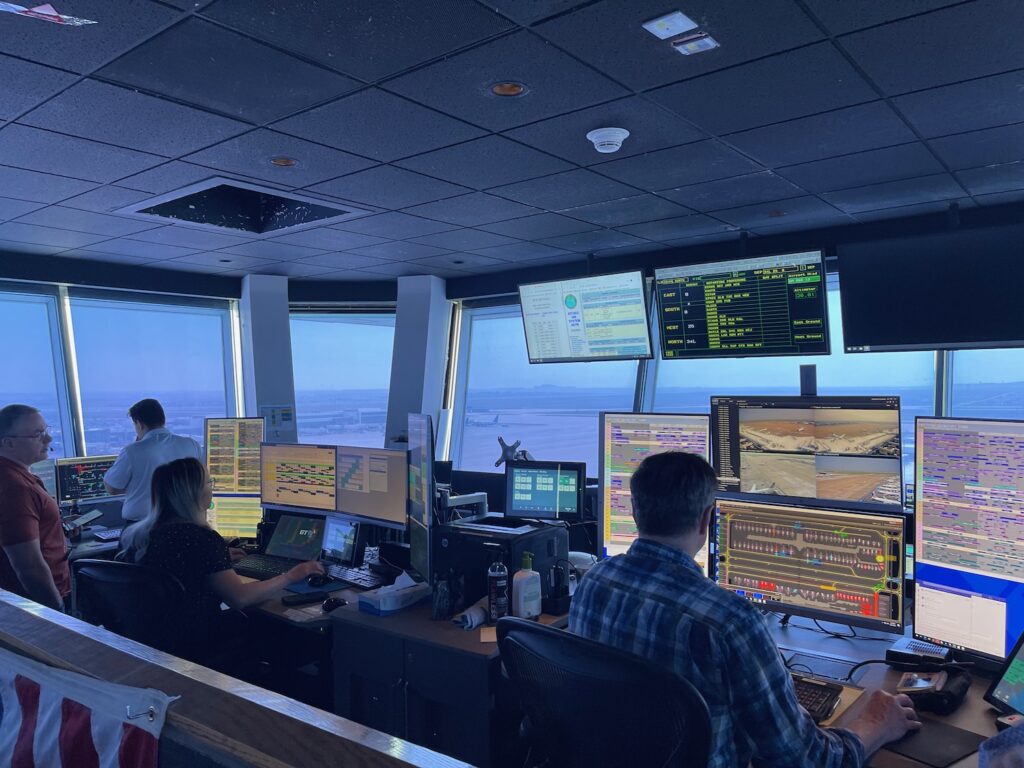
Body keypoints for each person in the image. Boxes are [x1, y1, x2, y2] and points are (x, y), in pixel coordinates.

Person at [569, 451, 920, 768]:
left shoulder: (594, 582)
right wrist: (875, 724)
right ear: (708, 518)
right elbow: (806, 761)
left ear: (635, 510)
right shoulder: (728, 621)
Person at [120, 457, 322, 659]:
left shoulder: (135, 536)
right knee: (296, 633)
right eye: (209, 482)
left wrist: (219, 560)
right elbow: (240, 598)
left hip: (152, 640)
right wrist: (291, 576)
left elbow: (182, 567)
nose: (212, 488)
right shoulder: (200, 539)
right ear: (194, 494)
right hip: (197, 641)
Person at [0, 404, 70, 610]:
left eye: (46, 431)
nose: (48, 439)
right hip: (38, 604)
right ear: (8, 443)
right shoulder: (15, 488)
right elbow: (28, 566)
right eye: (38, 434)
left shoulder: (20, 477)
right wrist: (56, 610)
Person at [104, 398, 202, 524]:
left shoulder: (132, 451)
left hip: (141, 529)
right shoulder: (191, 445)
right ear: (162, 419)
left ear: (139, 424)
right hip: (186, 524)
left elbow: (112, 488)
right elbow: (200, 481)